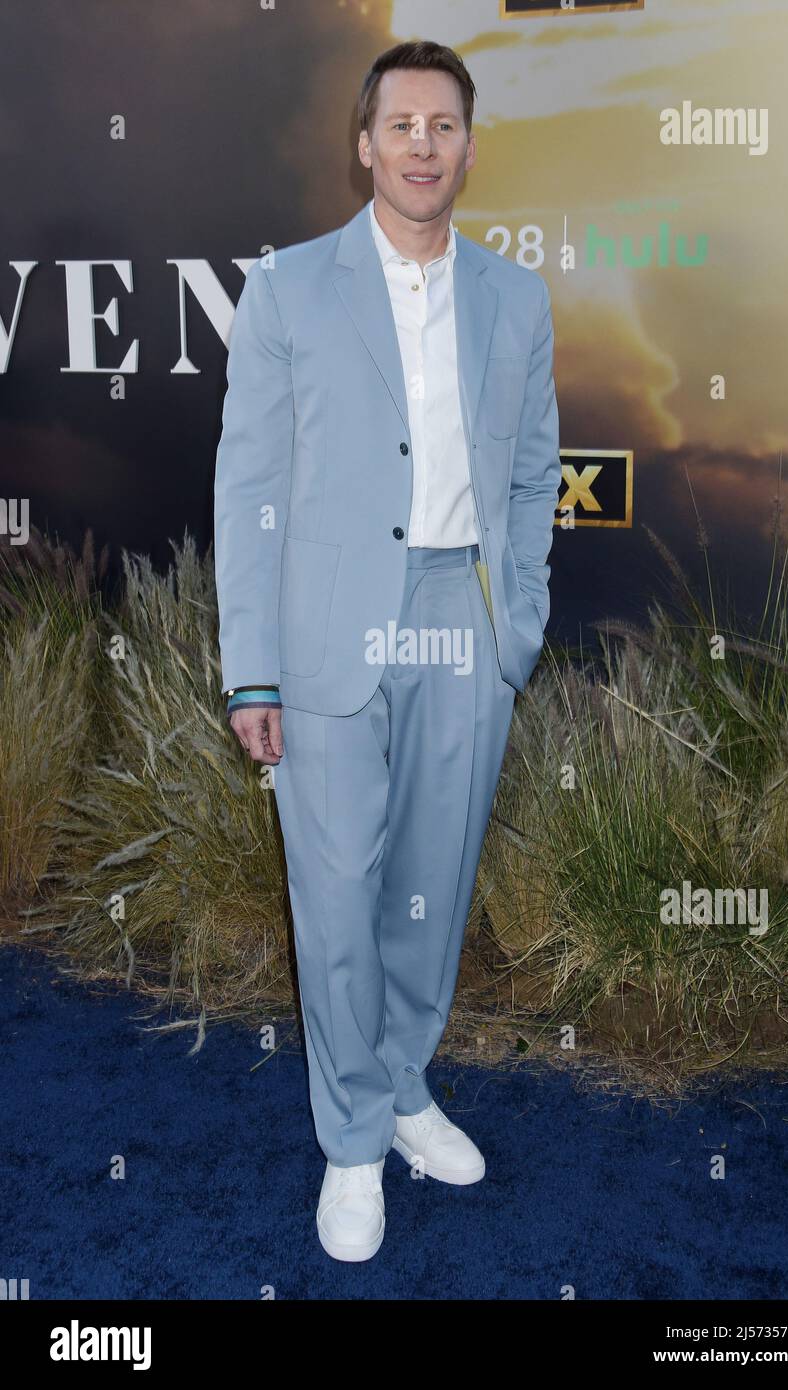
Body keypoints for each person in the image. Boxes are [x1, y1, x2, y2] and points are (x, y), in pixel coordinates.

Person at [213, 39, 560, 1262]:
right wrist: (251, 668)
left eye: (444, 125)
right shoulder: (290, 290)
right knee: (340, 893)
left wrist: (514, 626)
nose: (423, 144)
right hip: (324, 630)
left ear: (468, 147)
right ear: (364, 144)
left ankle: (405, 1084)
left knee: (430, 879)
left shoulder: (518, 301)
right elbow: (249, 484)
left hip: (462, 623)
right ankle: (352, 1139)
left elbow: (531, 476)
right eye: (400, 124)